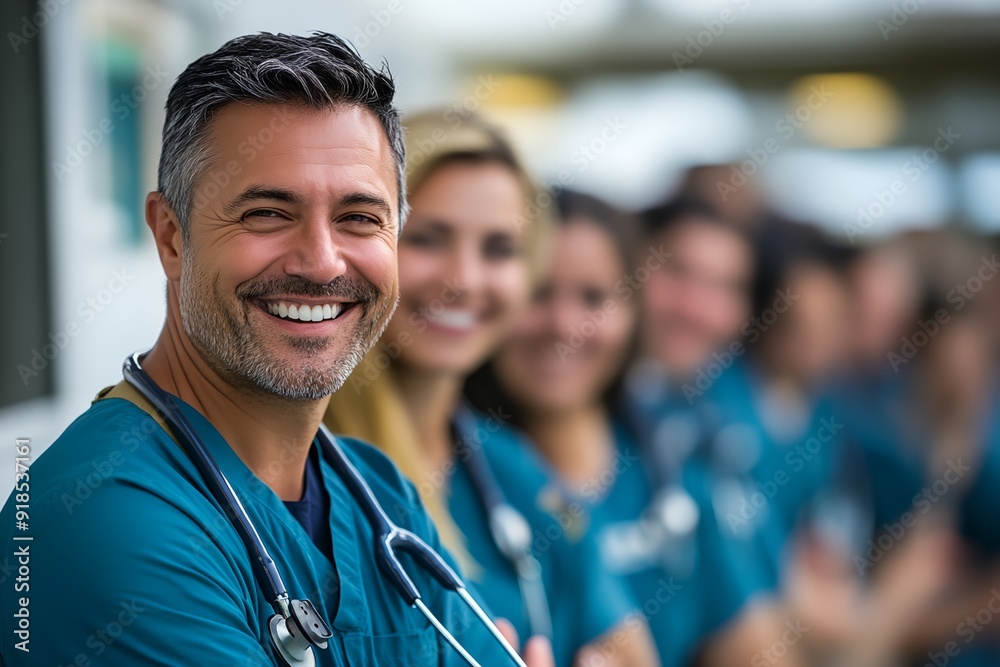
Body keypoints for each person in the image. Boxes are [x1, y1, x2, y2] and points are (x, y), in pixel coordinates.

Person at [0, 33, 553, 667]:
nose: (321, 262)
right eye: (266, 212)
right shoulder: (102, 518)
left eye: (359, 217)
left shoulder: (380, 497)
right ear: (171, 235)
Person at [324, 112, 658, 667]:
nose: (465, 280)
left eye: (499, 249)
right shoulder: (296, 466)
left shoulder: (515, 473)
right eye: (427, 238)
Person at [464, 189, 768, 666]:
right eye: (538, 293)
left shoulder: (679, 475)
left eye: (593, 297)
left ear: (633, 313)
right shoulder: (450, 477)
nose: (564, 325)